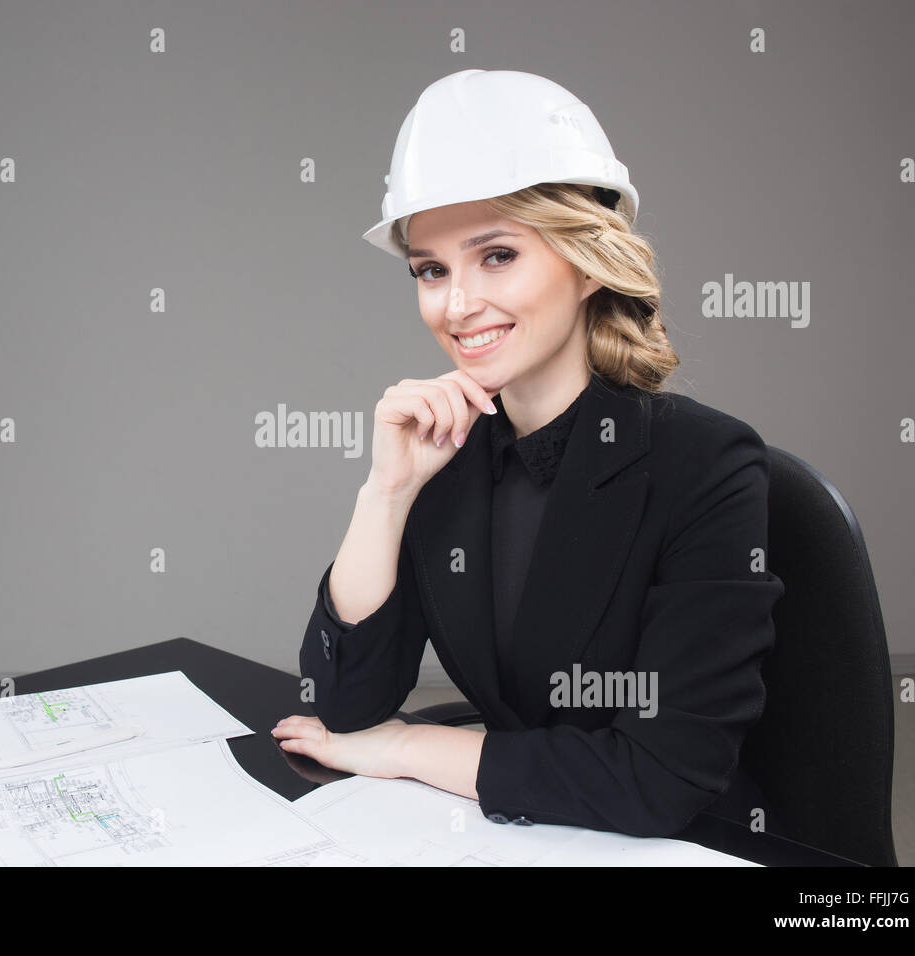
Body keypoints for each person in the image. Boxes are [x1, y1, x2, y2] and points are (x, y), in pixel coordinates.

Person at [272, 69, 785, 839]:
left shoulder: (704, 464)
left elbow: (662, 779)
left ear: (586, 263)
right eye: (431, 269)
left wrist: (417, 745)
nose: (456, 305)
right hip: (527, 833)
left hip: (679, 846)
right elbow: (340, 706)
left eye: (497, 256)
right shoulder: (450, 456)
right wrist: (385, 494)